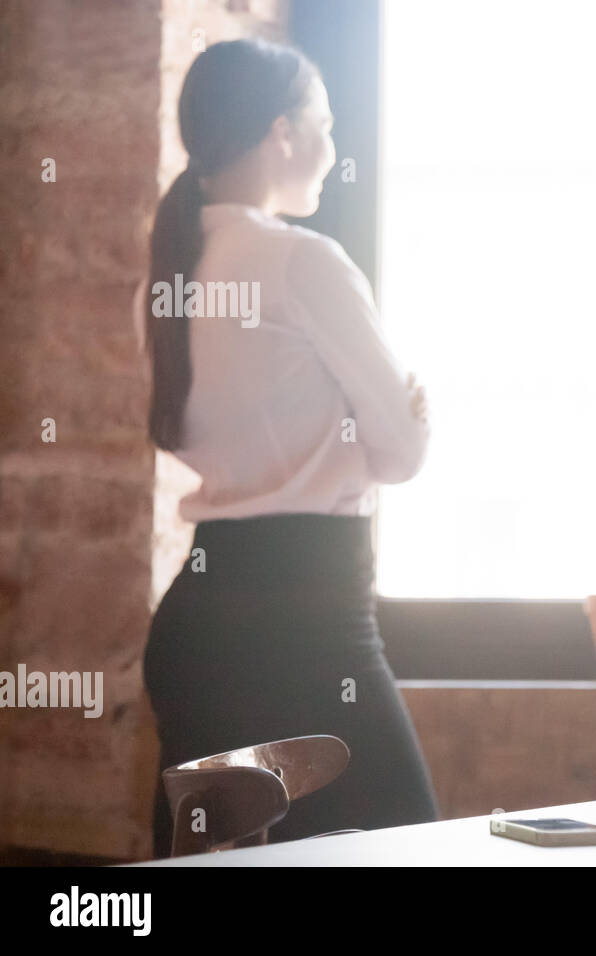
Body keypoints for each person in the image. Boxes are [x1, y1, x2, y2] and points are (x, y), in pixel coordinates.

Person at [140, 38, 439, 858]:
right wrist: (400, 409)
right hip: (308, 624)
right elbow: (405, 450)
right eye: (326, 126)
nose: (334, 149)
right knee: (413, 849)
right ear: (282, 132)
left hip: (201, 627)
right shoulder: (305, 262)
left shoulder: (164, 275)